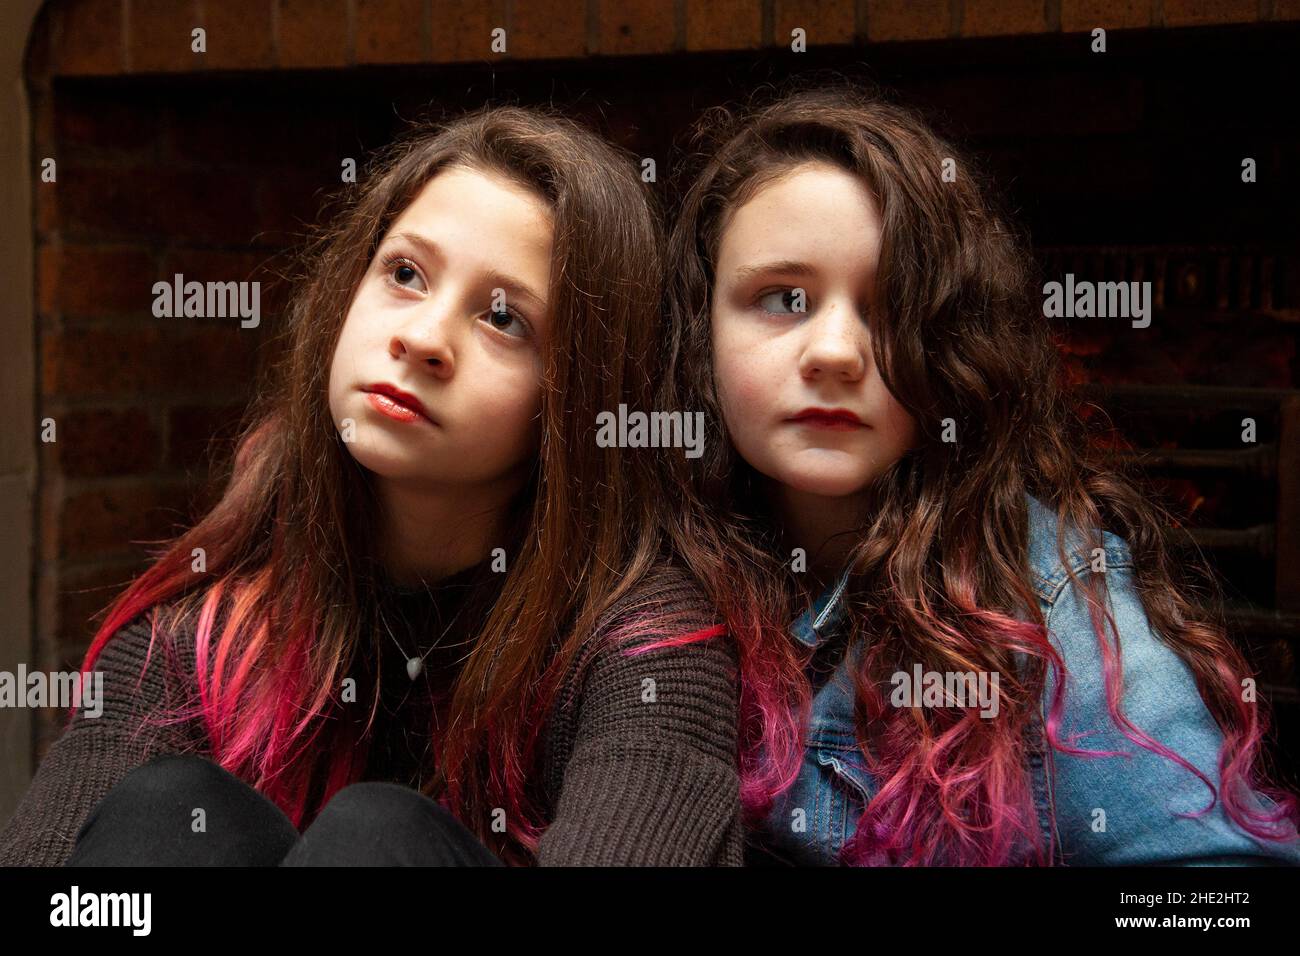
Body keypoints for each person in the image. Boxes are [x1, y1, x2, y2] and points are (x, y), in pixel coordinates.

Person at [1, 105, 741, 867]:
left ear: (579, 397)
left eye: (503, 318)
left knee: (378, 838)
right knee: (169, 812)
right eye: (405, 274)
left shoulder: (650, 654)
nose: (421, 339)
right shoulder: (215, 626)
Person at [657, 82, 1300, 865]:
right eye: (782, 298)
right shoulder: (661, 564)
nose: (835, 352)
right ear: (701, 333)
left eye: (892, 306)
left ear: (952, 346)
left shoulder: (1046, 590)